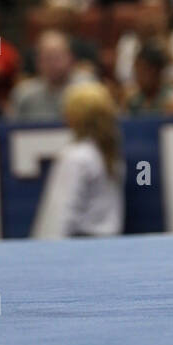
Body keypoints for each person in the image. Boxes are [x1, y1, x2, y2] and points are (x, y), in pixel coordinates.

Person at [32, 81, 125, 238]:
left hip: (80, 247)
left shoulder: (75, 157)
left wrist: (44, 252)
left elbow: (61, 213)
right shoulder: (108, 153)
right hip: (108, 242)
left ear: (73, 117)